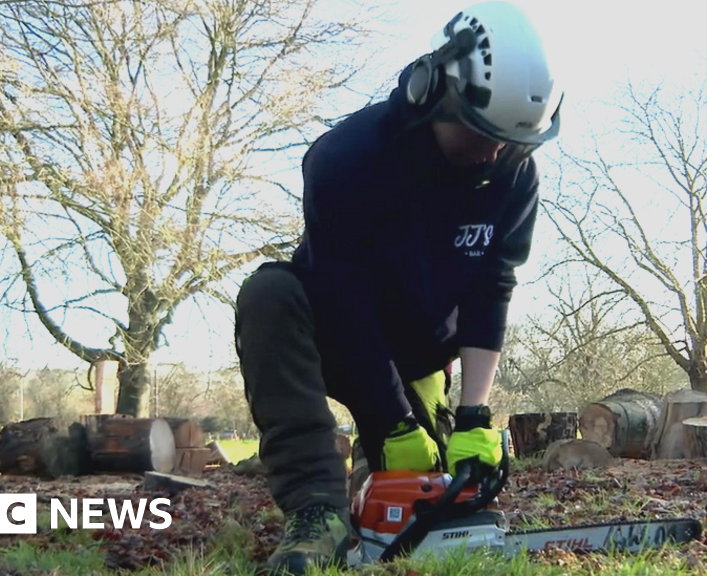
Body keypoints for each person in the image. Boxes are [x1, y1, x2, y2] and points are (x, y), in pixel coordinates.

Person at [231, 2, 562, 574]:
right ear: (433, 92)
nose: (493, 152)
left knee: (420, 480)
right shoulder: (348, 159)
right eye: (482, 133)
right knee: (267, 295)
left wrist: (476, 415)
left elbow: (492, 286)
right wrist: (390, 419)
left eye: (508, 141)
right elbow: (343, 297)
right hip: (331, 332)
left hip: (423, 346)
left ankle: (374, 468)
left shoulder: (513, 173)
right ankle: (317, 510)